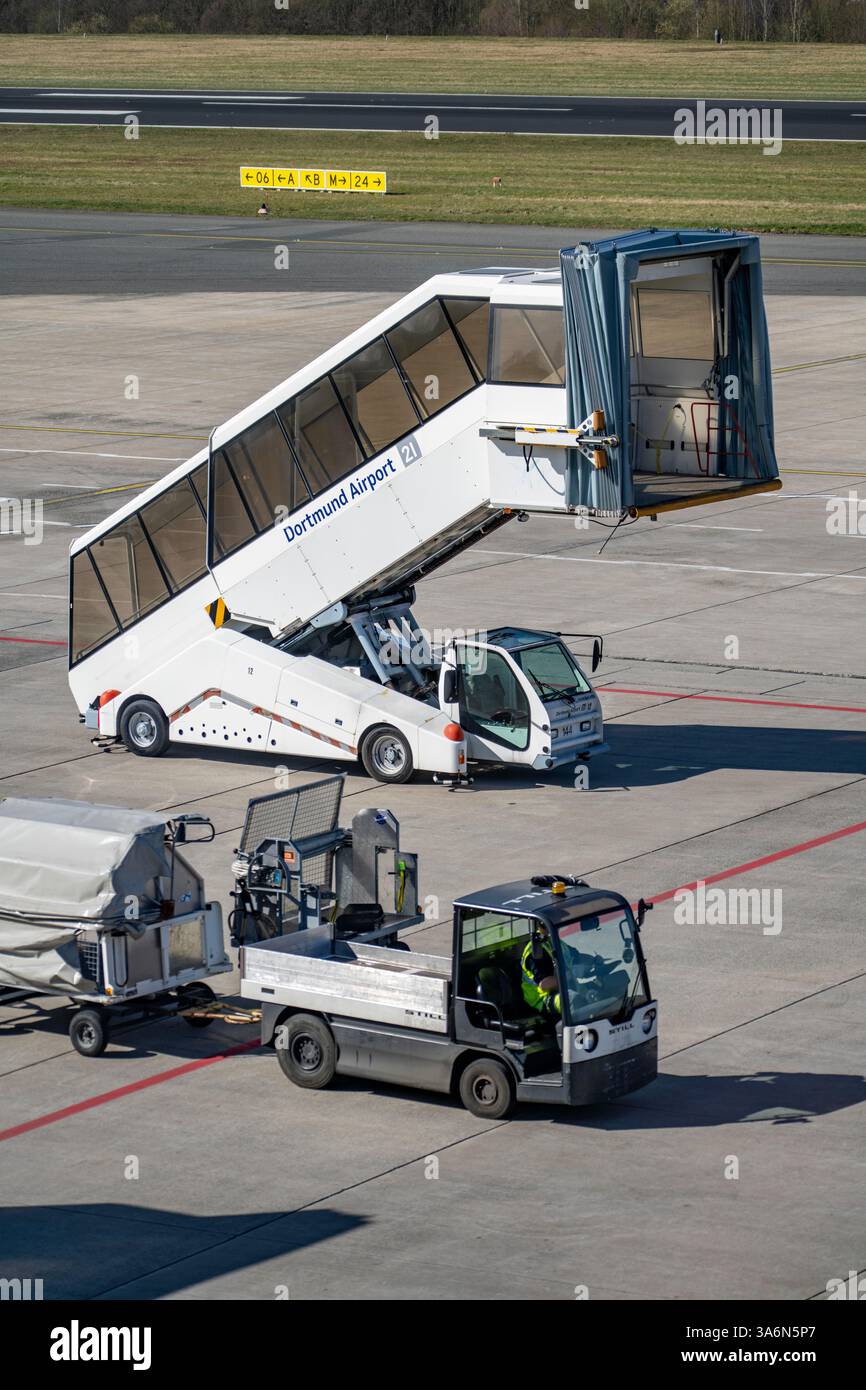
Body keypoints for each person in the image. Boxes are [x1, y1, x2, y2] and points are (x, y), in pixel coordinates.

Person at [521, 922, 561, 1018]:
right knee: (573, 1000)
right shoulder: (536, 953)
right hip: (542, 999)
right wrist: (568, 978)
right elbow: (544, 984)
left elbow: (575, 956)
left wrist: (595, 961)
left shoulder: (552, 940)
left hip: (561, 989)